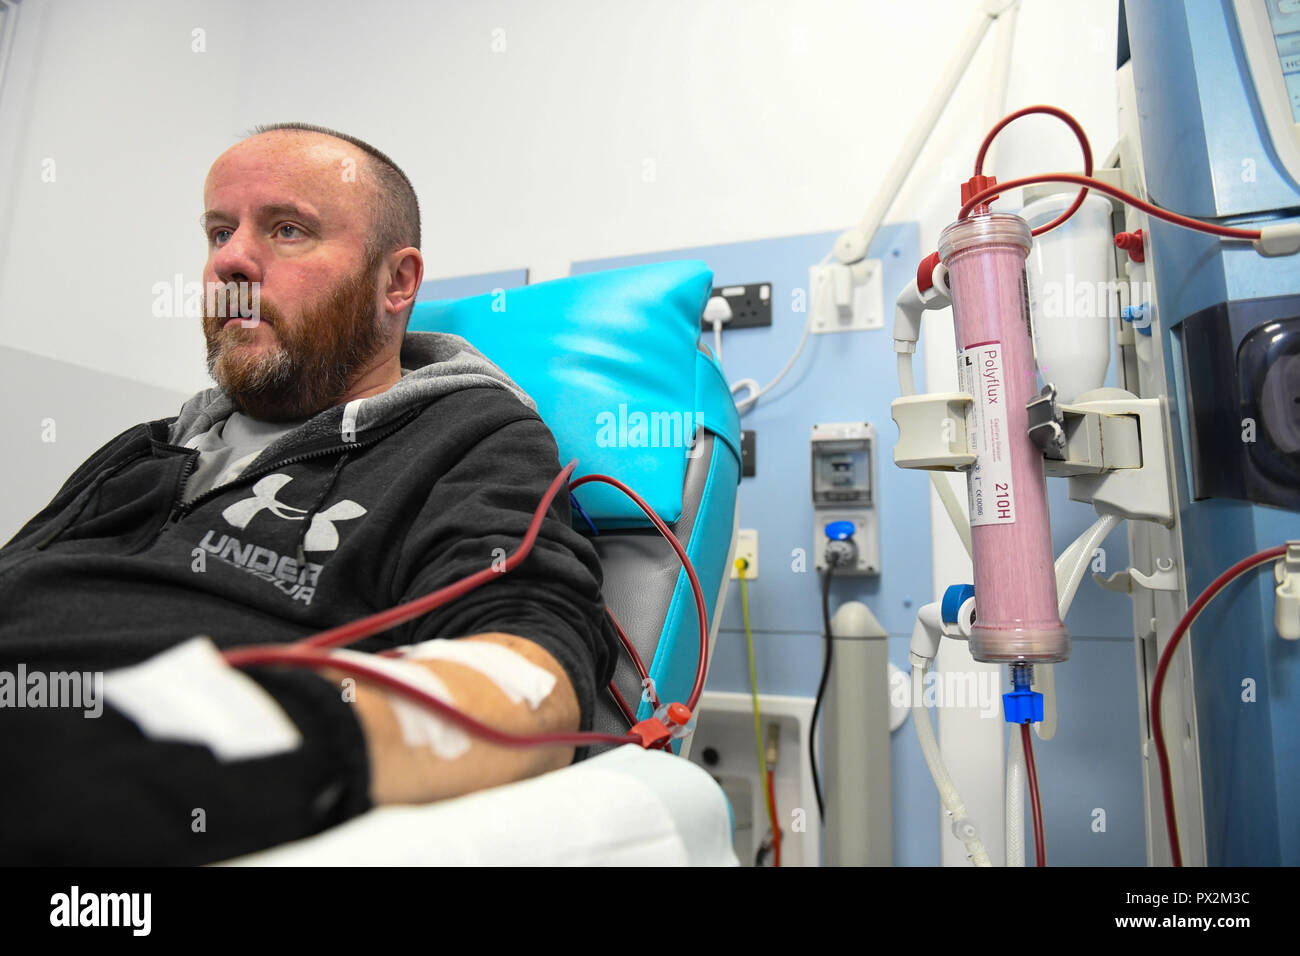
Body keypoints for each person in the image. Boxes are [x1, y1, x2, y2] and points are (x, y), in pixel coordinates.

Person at [0, 124, 618, 864]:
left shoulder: (471, 437)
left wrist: (250, 735)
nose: (229, 258)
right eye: (218, 231)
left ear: (397, 282)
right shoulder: (146, 446)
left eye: (287, 229)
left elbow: (533, 673)